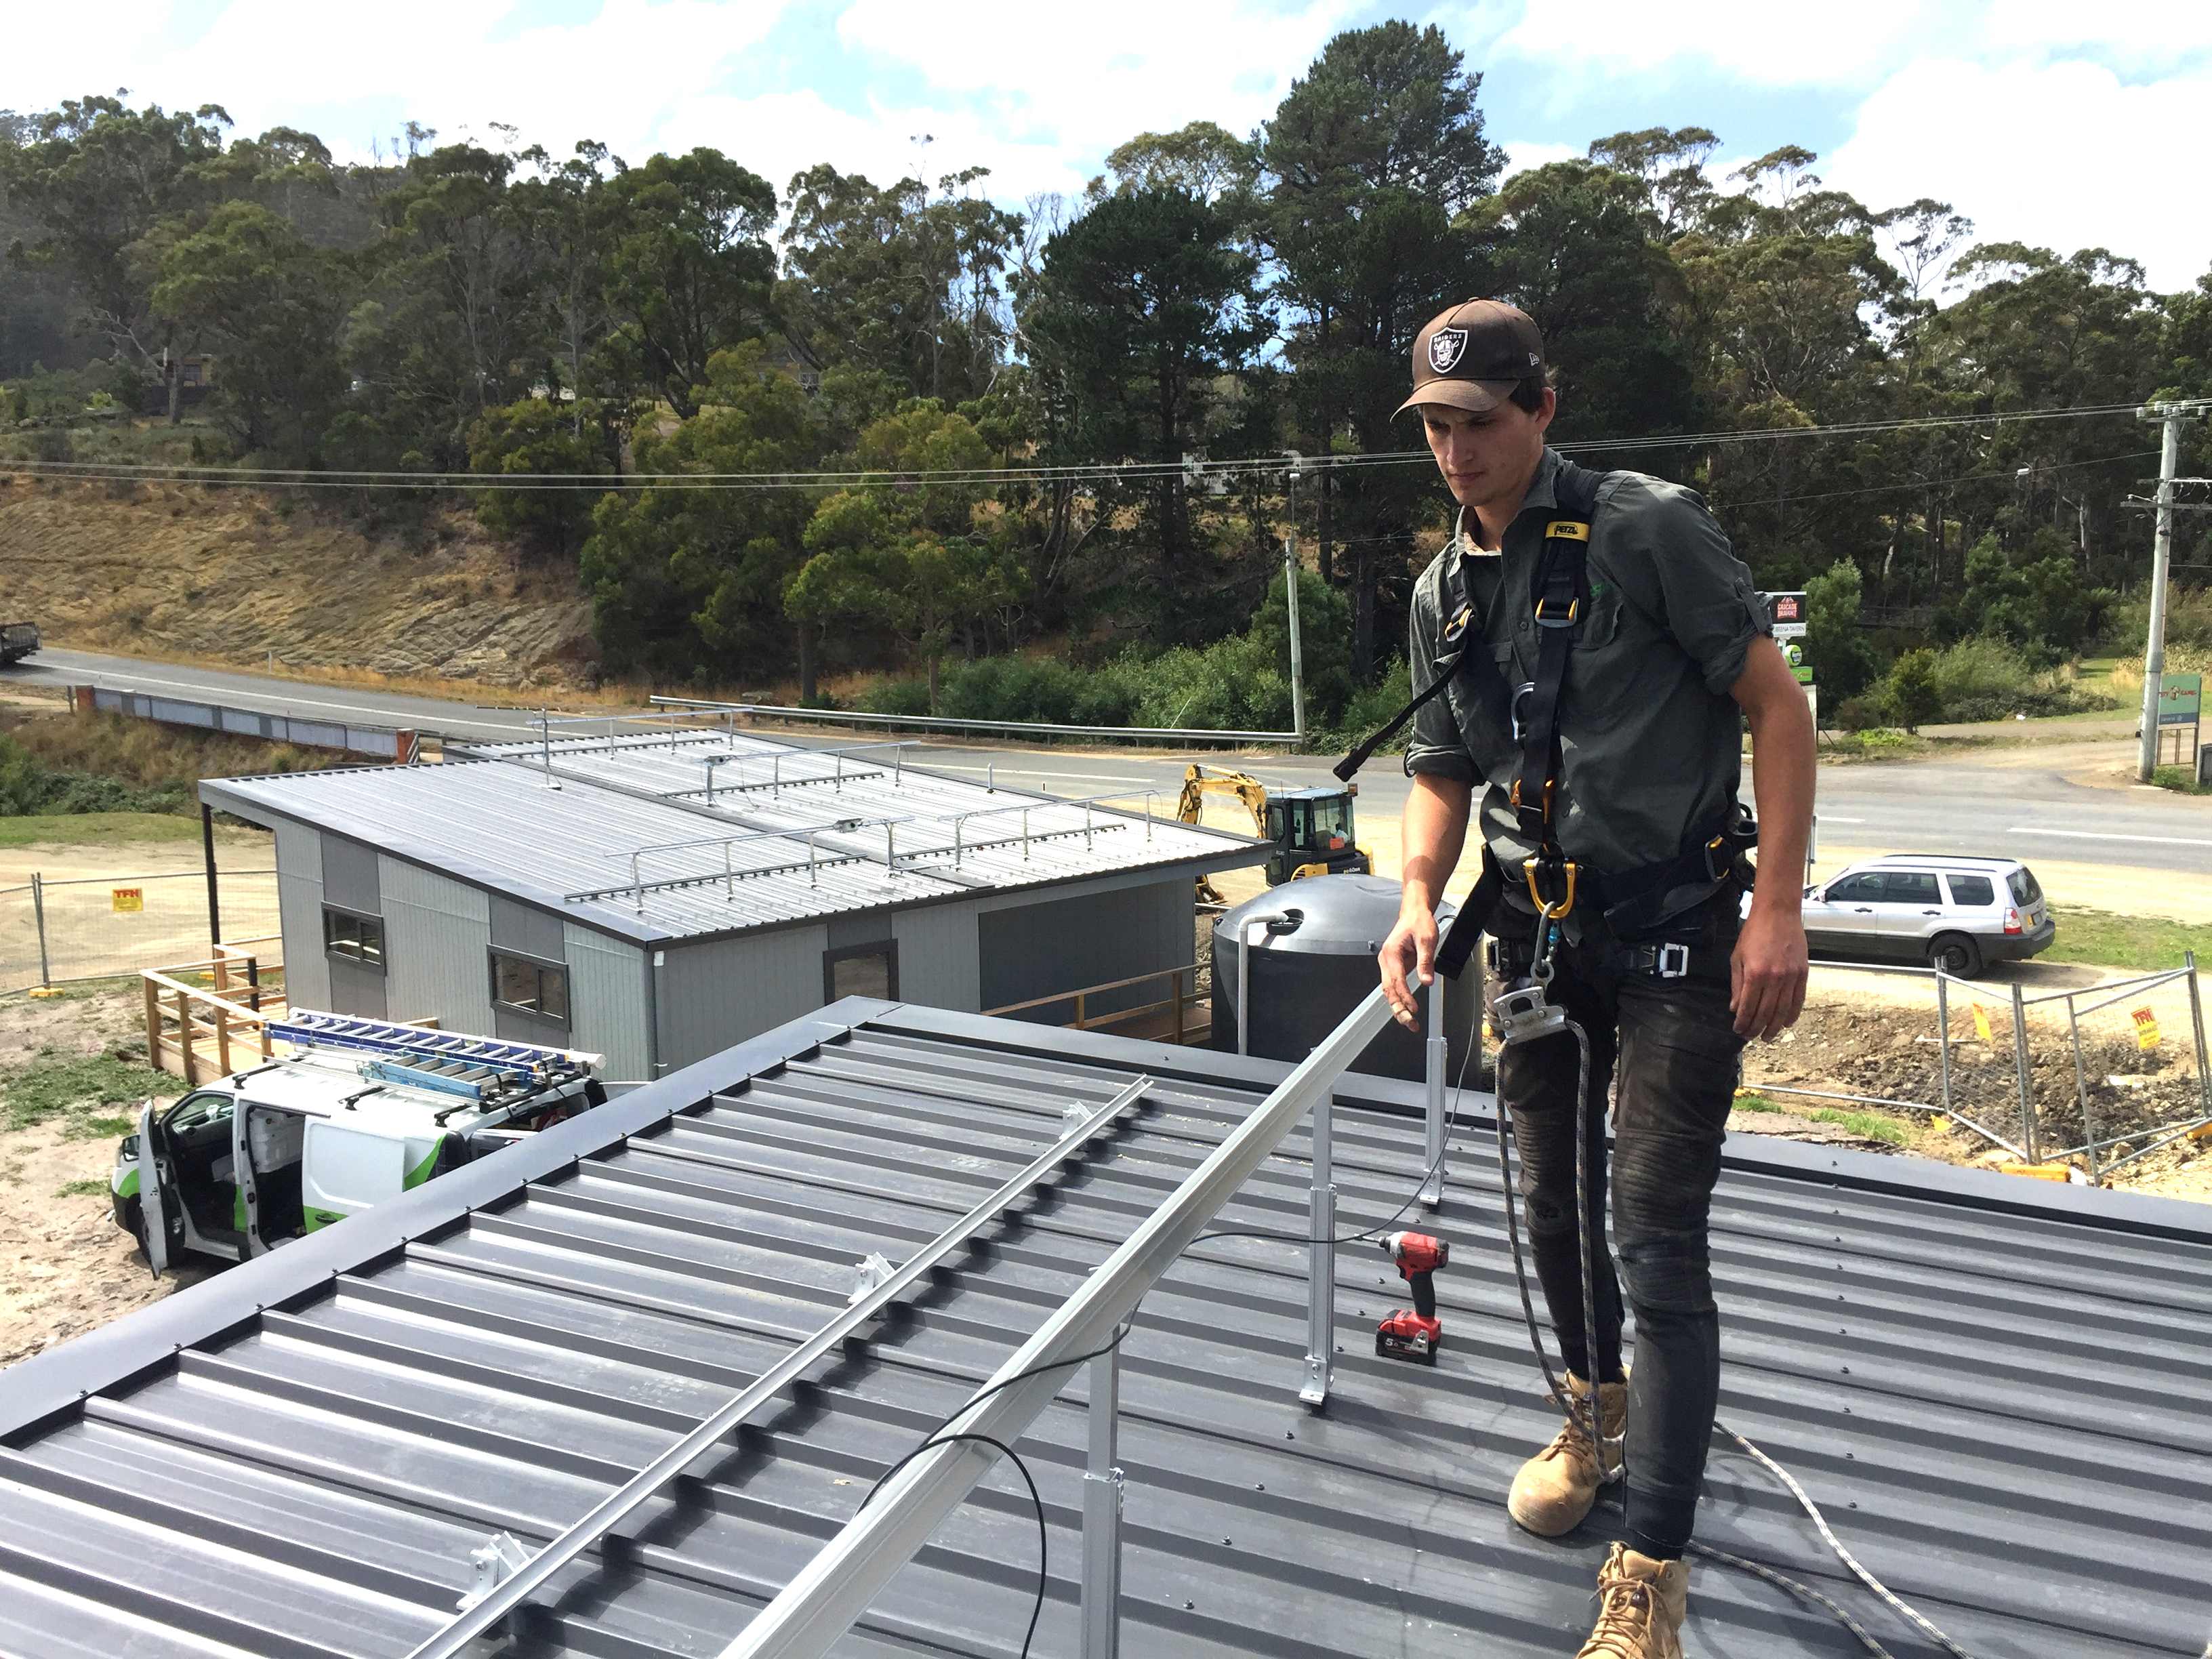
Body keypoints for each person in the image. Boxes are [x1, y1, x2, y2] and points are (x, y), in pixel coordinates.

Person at [1375, 300, 1815, 1658]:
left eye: (1482, 425)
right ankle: (1595, 1412)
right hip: (1539, 940)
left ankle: (1655, 1566)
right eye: (1437, 431)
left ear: (1543, 410)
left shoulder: (1644, 529)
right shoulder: (1442, 590)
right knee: (1552, 1213)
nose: (1458, 455)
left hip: (1681, 927)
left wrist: (1780, 912)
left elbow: (1777, 708)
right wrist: (1414, 894)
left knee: (1652, 1235)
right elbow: (1443, 772)